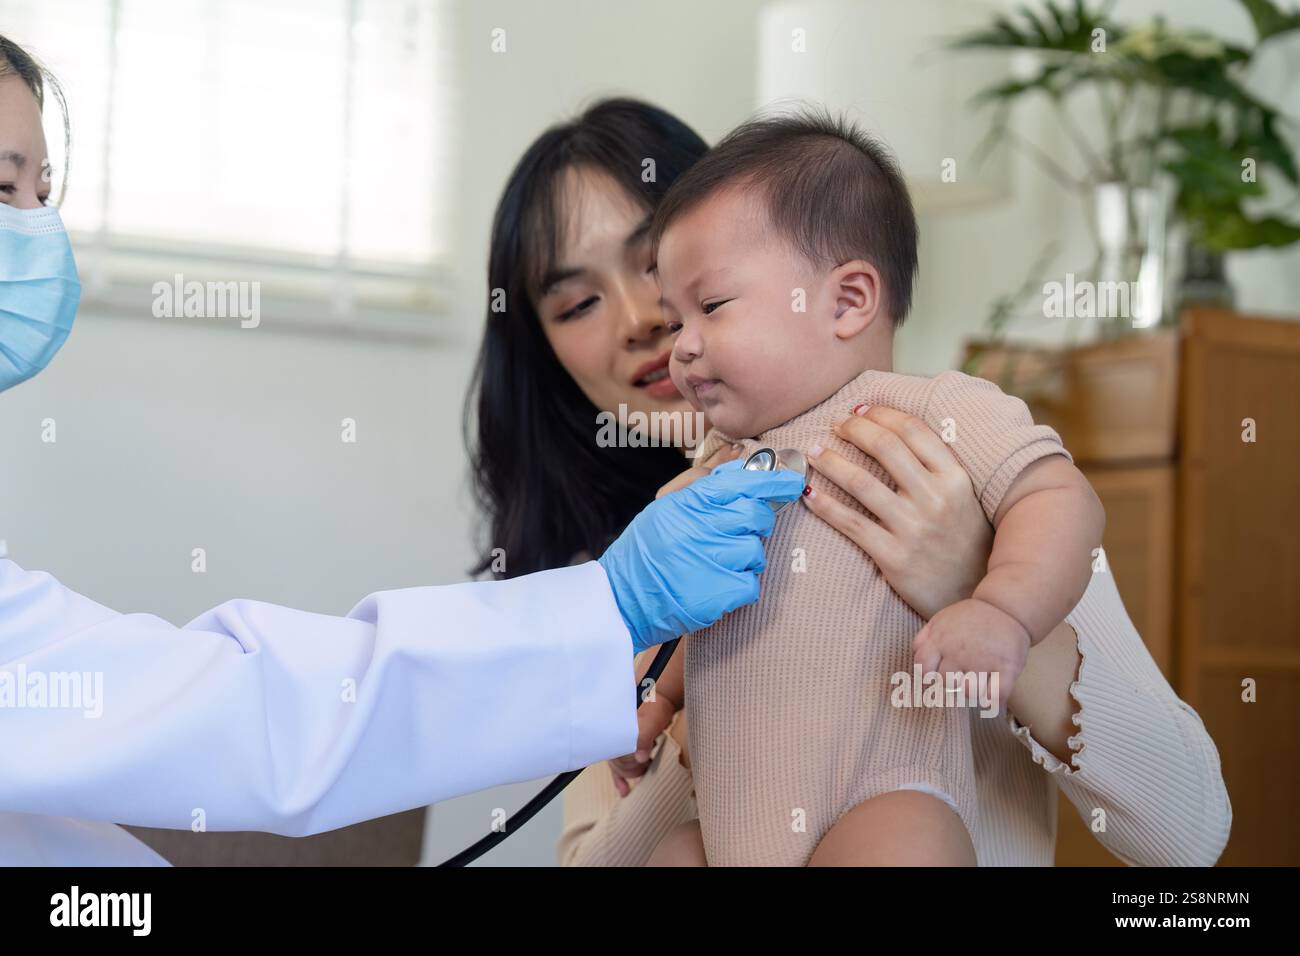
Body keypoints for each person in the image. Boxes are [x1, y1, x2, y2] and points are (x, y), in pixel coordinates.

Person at [0, 35, 801, 865]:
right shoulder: (629, 565)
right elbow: (236, 715)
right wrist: (618, 621)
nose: (644, 316)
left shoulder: (898, 452)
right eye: (2, 188)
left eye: (43, 192)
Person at [459, 96, 1229, 866]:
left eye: (692, 286)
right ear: (544, 354)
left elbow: (1189, 840)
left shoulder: (952, 471)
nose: (648, 322)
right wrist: (698, 730)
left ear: (840, 290)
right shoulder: (617, 580)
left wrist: (980, 591)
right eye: (579, 302)